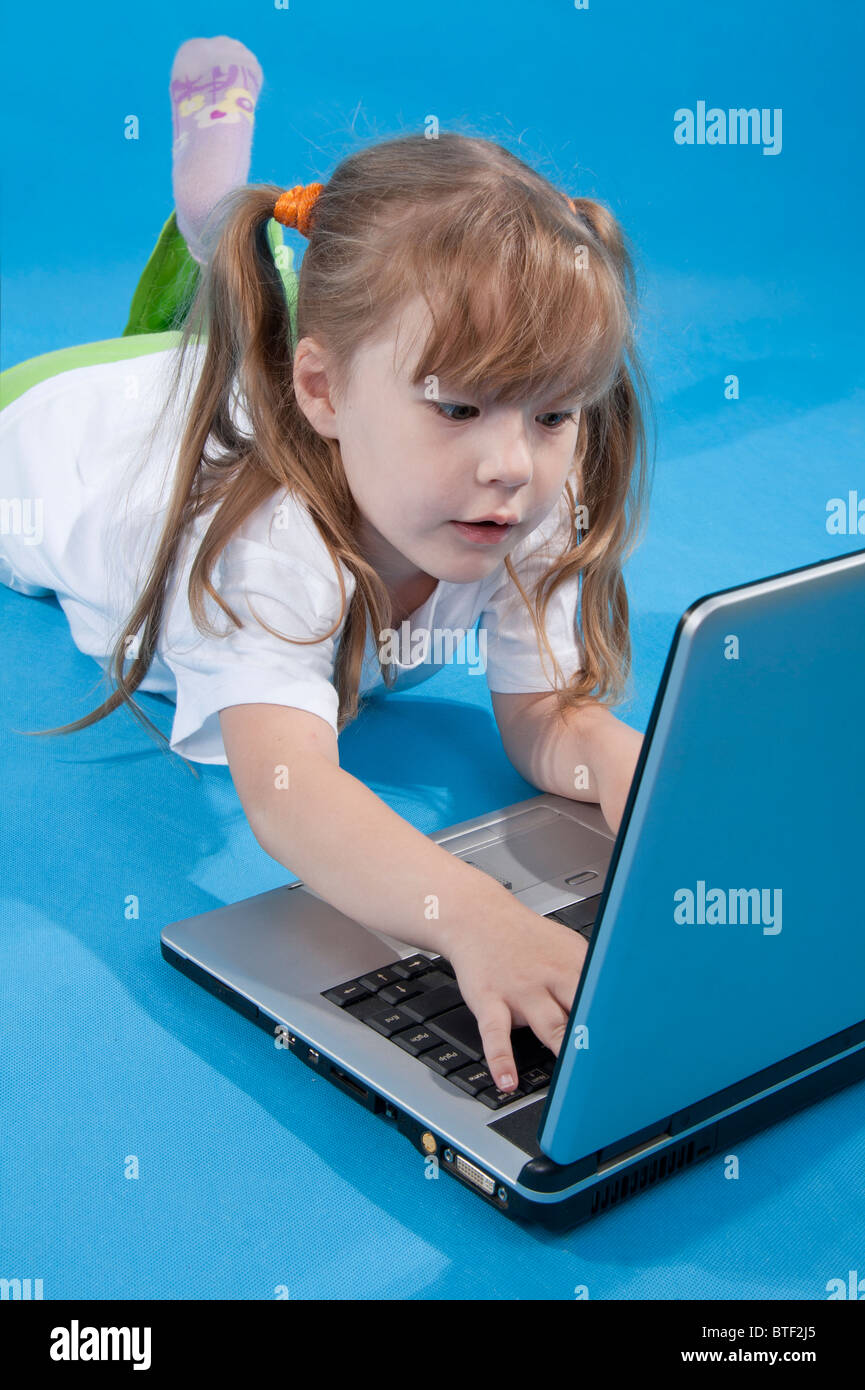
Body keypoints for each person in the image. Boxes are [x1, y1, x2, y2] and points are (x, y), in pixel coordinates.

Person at [0, 36, 654, 1097]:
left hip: (255, 391)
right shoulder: (266, 545)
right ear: (324, 394)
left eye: (551, 412)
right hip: (56, 432)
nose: (511, 464)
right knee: (222, 314)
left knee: (260, 306)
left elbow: (546, 716)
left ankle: (224, 226)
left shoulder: (520, 493)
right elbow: (291, 791)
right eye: (458, 406)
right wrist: (476, 918)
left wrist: (646, 785)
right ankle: (214, 212)